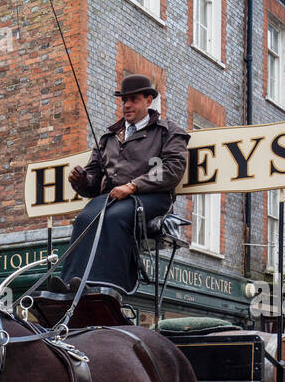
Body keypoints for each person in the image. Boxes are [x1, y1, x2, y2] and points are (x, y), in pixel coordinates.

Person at [60, 73, 190, 294]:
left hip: (151, 197)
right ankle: (71, 282)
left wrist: (134, 186)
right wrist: (81, 180)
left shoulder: (166, 131)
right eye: (124, 100)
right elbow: (92, 184)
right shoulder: (109, 138)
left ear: (149, 101)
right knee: (84, 219)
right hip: (113, 197)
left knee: (114, 217)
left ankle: (111, 284)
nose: (127, 105)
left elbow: (171, 169)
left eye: (134, 99)